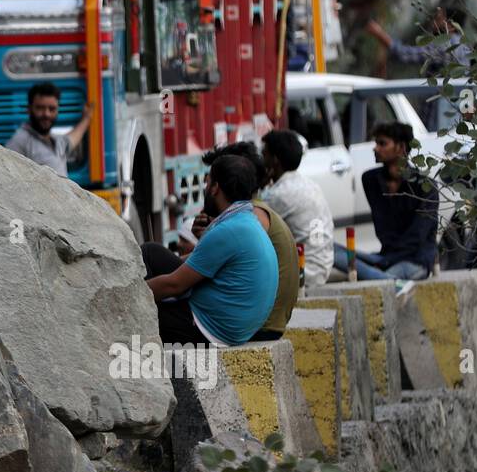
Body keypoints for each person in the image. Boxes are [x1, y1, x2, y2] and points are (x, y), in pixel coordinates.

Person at [143, 154, 278, 346]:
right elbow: (192, 263)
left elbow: (175, 285)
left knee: (138, 316)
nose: (206, 188)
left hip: (207, 331)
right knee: (152, 253)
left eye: (207, 183)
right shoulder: (245, 220)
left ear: (215, 188)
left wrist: (129, 296)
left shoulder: (229, 230)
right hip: (229, 326)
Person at [332, 121, 439, 281]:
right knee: (330, 251)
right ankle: (379, 276)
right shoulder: (371, 180)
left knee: (383, 279)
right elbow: (384, 228)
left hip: (414, 260)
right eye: (376, 143)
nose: (375, 148)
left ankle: (384, 279)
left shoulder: (425, 186)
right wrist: (383, 261)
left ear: (401, 147)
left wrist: (386, 262)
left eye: (382, 144)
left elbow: (417, 237)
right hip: (384, 257)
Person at [260, 129, 336, 288]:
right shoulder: (310, 184)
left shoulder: (278, 195)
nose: (262, 160)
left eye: (264, 154)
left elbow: (249, 226)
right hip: (322, 265)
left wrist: (258, 186)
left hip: (305, 273)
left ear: (275, 160)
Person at [4, 82, 92, 177]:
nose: (47, 114)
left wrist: (87, 118)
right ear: (29, 109)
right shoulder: (19, 142)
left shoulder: (57, 141)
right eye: (40, 108)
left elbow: (73, 138)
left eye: (52, 109)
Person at [365, 5, 470, 75]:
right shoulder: (463, 45)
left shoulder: (446, 44)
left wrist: (379, 33)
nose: (433, 23)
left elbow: (405, 54)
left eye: (438, 19)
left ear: (451, 26)